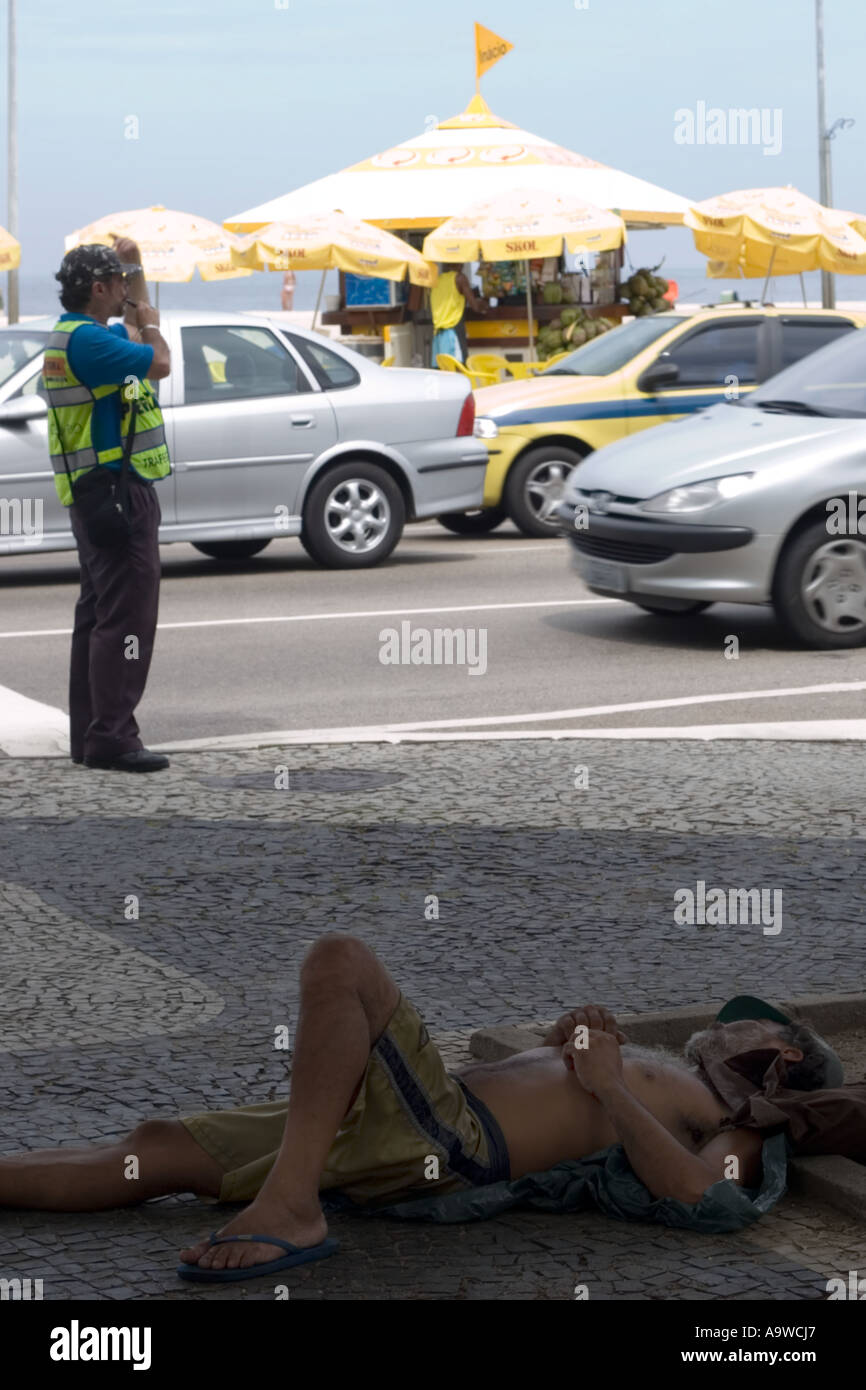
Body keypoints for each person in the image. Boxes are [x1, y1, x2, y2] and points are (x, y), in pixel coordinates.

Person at [0, 933, 844, 1282]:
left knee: (341, 963)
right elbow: (562, 1088)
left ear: (784, 1057)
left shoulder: (741, 1120)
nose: (715, 1032)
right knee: (154, 1146)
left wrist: (608, 1083)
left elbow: (712, 1204)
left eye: (738, 1032)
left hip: (455, 1141)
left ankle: (291, 1207)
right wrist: (560, 1046)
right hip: (407, 1111)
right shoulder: (680, 1071)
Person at [42, 241, 172, 772]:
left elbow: (133, 333)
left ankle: (92, 734)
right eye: (117, 282)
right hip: (117, 492)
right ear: (98, 288)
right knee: (127, 621)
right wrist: (156, 323)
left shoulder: (74, 337)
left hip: (93, 494)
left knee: (98, 615)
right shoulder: (92, 347)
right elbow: (158, 358)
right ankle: (114, 737)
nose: (125, 291)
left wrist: (136, 268)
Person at [431, 262, 487, 365]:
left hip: (438, 333)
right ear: (458, 264)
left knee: (444, 370)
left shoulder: (435, 280)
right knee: (459, 368)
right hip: (453, 330)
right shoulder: (460, 278)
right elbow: (475, 306)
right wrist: (484, 303)